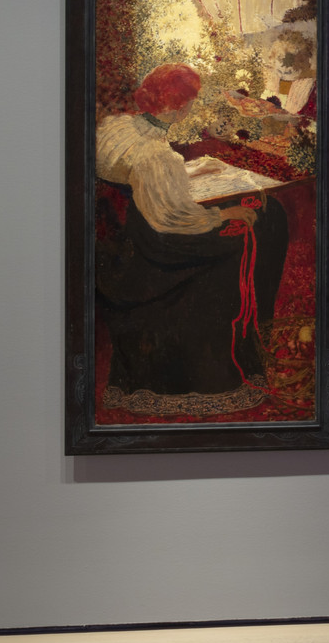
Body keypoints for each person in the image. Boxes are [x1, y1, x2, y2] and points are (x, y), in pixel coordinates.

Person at [93, 63, 290, 416]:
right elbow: (174, 220)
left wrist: (192, 172)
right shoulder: (158, 156)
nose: (193, 107)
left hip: (121, 239)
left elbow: (146, 178)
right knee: (264, 219)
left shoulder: (118, 128)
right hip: (155, 252)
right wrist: (223, 216)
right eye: (192, 101)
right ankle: (250, 340)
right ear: (179, 106)